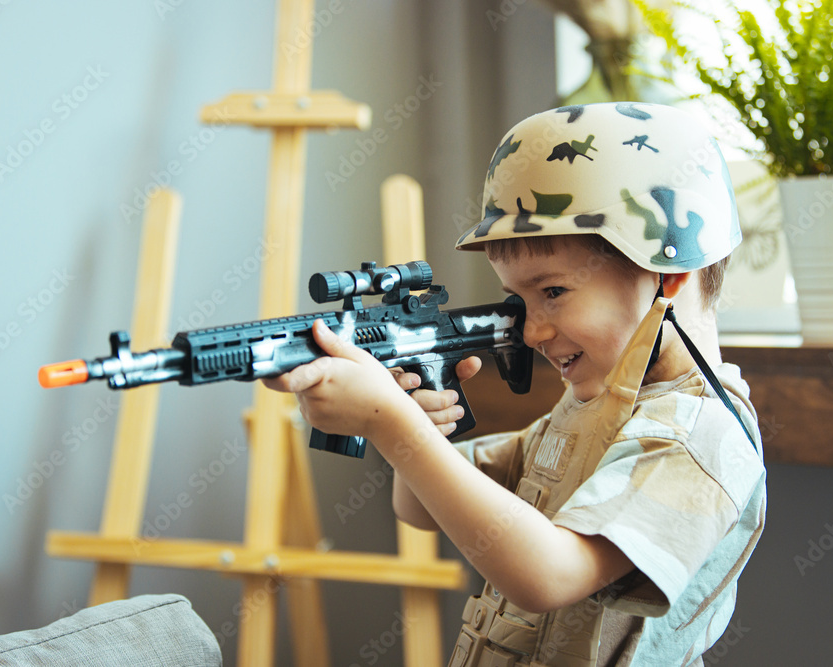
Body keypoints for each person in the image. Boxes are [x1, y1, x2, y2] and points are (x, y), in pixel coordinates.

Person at [265, 102, 767, 666]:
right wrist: (410, 431)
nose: (530, 331)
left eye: (552, 292)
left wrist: (391, 420)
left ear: (667, 274)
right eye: (518, 299)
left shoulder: (695, 438)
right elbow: (422, 511)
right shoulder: (593, 410)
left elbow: (548, 575)